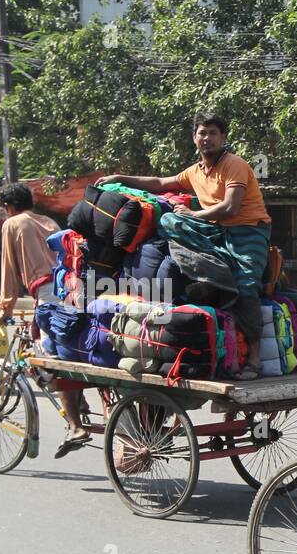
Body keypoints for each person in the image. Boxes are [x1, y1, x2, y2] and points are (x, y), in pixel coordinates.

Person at [98, 112, 270, 380]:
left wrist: (192, 215)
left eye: (213, 133)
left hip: (248, 232)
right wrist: (119, 178)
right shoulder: (195, 171)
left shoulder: (234, 164)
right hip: (216, 230)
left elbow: (230, 207)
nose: (207, 138)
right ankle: (215, 276)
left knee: (247, 287)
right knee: (168, 221)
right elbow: (158, 183)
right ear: (194, 138)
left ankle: (255, 360)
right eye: (202, 133)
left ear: (223, 138)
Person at [0, 182, 90, 456]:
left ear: (8, 207)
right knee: (70, 349)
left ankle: (74, 426)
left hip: (49, 294)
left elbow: (8, 270)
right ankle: (79, 400)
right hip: (75, 287)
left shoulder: (12, 224)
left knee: (53, 361)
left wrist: (6, 309)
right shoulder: (48, 220)